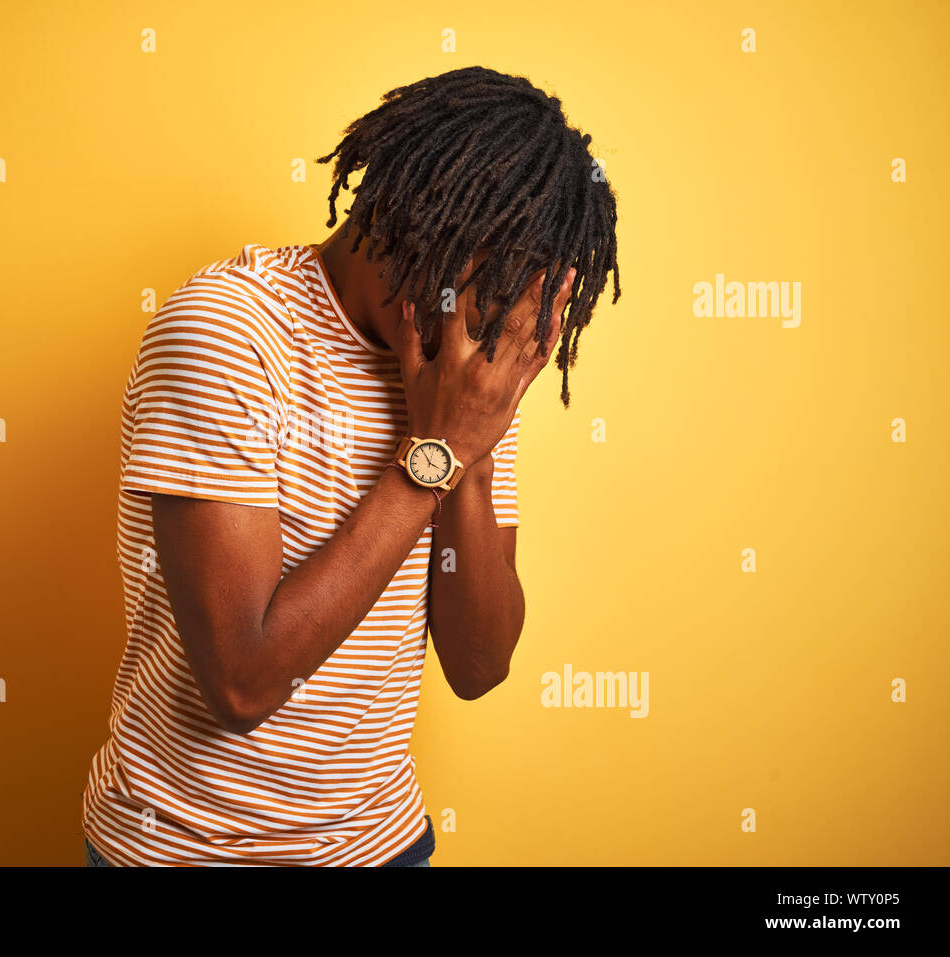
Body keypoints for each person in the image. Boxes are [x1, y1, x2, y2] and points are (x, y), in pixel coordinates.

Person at [82, 65, 621, 866]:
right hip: (187, 850)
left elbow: (478, 665)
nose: (513, 312)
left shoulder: (466, 374)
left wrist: (469, 447)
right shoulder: (227, 334)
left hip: (382, 845)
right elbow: (243, 682)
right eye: (503, 275)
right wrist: (427, 462)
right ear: (419, 213)